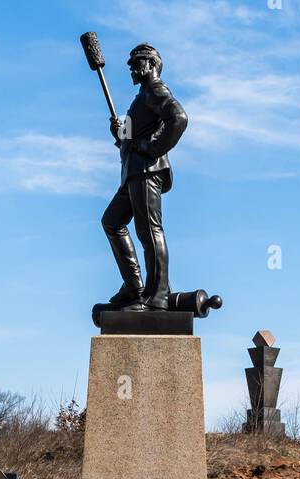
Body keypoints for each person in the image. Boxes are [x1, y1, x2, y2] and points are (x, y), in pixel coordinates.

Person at [101, 43, 188, 312]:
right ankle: (134, 287)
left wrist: (153, 149)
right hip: (132, 173)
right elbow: (130, 140)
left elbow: (179, 118)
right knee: (112, 222)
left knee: (149, 231)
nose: (130, 67)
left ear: (150, 64)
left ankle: (158, 296)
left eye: (136, 62)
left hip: (147, 170)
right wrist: (120, 134)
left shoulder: (155, 89)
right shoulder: (140, 98)